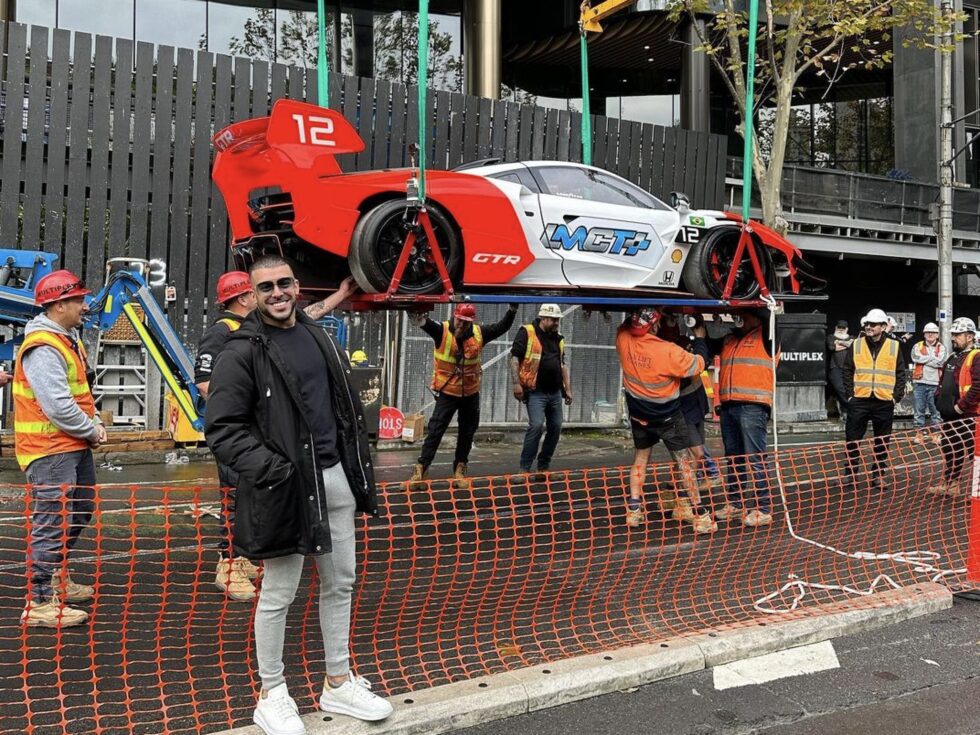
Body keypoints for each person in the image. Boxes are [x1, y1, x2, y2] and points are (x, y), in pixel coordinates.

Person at [205, 256, 392, 735]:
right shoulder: (241, 350)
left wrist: (353, 470)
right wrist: (274, 471)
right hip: (286, 487)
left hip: (336, 481)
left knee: (341, 583)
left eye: (284, 283)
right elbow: (223, 429)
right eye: (265, 286)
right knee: (279, 594)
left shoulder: (315, 334)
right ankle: (271, 694)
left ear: (296, 286)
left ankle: (337, 681)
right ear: (252, 294)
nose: (277, 293)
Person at [195, 272, 357, 602]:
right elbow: (205, 383)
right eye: (261, 290)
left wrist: (340, 294)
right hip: (246, 437)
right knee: (235, 499)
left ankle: (240, 559)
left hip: (264, 436)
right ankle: (228, 567)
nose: (272, 295)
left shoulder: (263, 327)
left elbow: (304, 317)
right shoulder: (223, 333)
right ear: (244, 298)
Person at [15, 269, 107, 628]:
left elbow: (81, 392)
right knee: (50, 522)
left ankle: (54, 575)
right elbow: (57, 405)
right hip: (50, 449)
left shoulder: (66, 339)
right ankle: (39, 602)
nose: (84, 307)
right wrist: (92, 430)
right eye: (79, 300)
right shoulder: (43, 346)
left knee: (81, 509)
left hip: (71, 444)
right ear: (60, 304)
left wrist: (93, 423)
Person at [616, 307, 716, 534]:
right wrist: (700, 337)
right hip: (668, 417)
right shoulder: (668, 351)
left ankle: (634, 510)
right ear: (656, 325)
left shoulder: (624, 340)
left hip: (639, 416)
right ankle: (700, 514)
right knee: (684, 461)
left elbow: (622, 328)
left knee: (640, 459)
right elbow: (698, 364)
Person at [408, 302, 518, 489]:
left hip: (470, 393)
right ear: (454, 316)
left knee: (467, 432)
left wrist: (512, 311)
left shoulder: (479, 333)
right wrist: (413, 313)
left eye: (465, 322)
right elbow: (421, 322)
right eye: (459, 320)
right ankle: (422, 467)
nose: (461, 325)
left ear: (470, 322)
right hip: (448, 393)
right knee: (436, 430)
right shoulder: (441, 331)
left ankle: (460, 468)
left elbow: (502, 327)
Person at [697, 308, 779, 528]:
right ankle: (736, 503)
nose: (739, 318)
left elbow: (767, 314)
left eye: (744, 314)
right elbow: (705, 346)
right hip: (729, 406)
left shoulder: (767, 336)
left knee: (755, 458)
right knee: (733, 458)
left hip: (753, 406)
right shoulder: (730, 339)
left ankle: (763, 508)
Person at [842, 307, 908, 491]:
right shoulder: (856, 344)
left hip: (884, 401)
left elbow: (900, 373)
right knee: (852, 439)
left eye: (873, 324)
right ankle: (851, 474)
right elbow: (847, 370)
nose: (869, 327)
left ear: (883, 326)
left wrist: (896, 397)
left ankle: (878, 475)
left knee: (882, 441)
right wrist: (850, 395)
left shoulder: (894, 346)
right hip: (860, 399)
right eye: (867, 324)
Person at [511, 303, 572, 478]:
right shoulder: (527, 332)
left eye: (558, 320)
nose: (556, 323)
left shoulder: (558, 338)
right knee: (536, 426)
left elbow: (562, 365)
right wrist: (516, 384)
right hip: (535, 391)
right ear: (544, 318)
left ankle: (543, 467)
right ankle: (524, 468)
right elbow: (515, 359)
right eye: (554, 320)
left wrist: (568, 389)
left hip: (554, 392)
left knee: (555, 426)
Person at [929, 317, 980, 496]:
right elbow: (943, 383)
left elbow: (978, 387)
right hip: (950, 414)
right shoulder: (953, 357)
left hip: (968, 414)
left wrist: (960, 407)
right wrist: (938, 400)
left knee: (974, 454)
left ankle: (977, 493)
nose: (954, 338)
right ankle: (950, 484)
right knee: (951, 449)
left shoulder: (976, 356)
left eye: (958, 335)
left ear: (970, 336)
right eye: (953, 334)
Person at [910, 322, 946, 437]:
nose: (930, 334)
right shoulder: (917, 346)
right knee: (918, 412)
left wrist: (924, 359)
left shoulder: (942, 347)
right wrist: (932, 359)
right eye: (928, 332)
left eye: (933, 332)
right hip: (919, 383)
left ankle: (936, 435)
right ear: (924, 334)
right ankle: (919, 435)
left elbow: (941, 362)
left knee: (935, 412)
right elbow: (915, 357)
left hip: (935, 383)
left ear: (937, 335)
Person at [827, 320, 852, 419]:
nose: (841, 330)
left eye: (843, 328)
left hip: (849, 368)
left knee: (848, 389)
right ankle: (851, 408)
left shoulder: (851, 337)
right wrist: (847, 344)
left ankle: (846, 411)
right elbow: (833, 348)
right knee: (839, 388)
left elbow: (853, 345)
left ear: (847, 329)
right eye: (839, 327)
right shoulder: (831, 337)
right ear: (836, 328)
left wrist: (840, 342)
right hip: (835, 367)